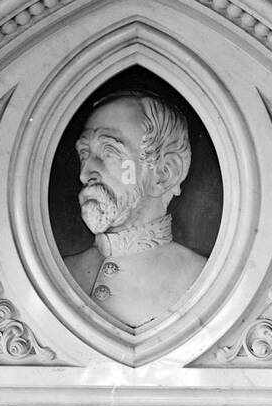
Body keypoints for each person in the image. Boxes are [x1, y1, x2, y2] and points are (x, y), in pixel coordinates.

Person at [65, 91, 207, 328]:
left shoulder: (202, 280)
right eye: (84, 154)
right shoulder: (65, 272)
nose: (84, 173)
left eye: (108, 152)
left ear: (164, 174)